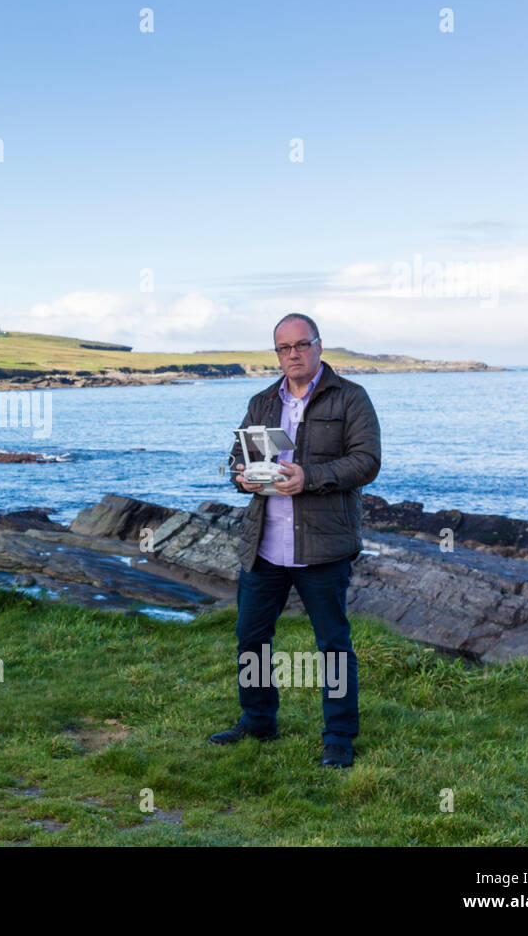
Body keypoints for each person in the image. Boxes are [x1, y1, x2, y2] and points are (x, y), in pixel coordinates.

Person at [208, 313, 381, 768]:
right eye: (284, 348)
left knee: (333, 646)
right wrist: (242, 477)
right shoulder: (262, 401)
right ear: (277, 354)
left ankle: (340, 737)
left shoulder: (351, 398)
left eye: (301, 345)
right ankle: (258, 720)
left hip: (323, 547)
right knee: (252, 640)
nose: (293, 354)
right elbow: (235, 459)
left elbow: (367, 461)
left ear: (319, 346)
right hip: (264, 545)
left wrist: (311, 477)